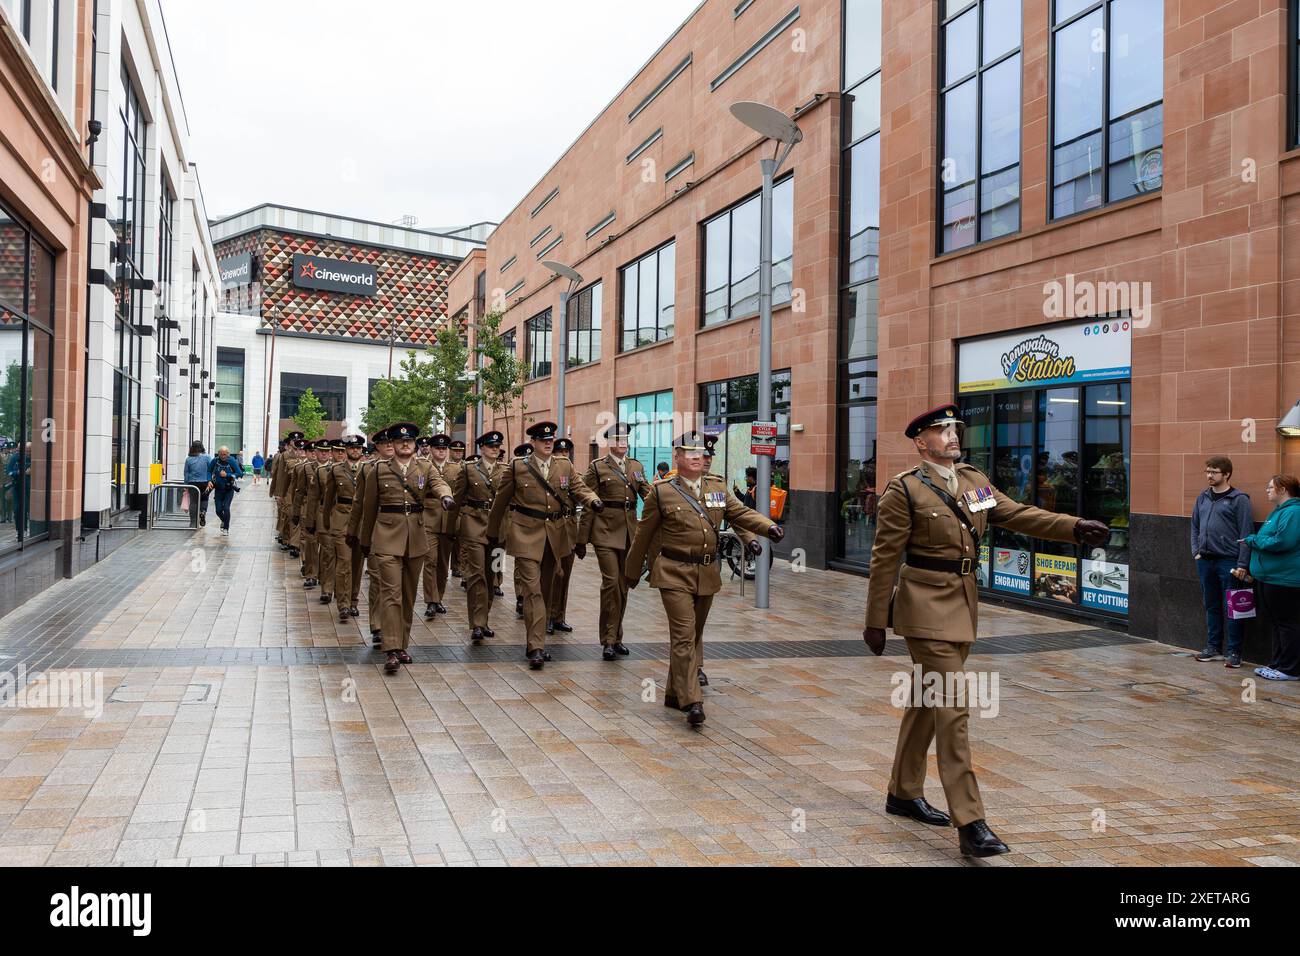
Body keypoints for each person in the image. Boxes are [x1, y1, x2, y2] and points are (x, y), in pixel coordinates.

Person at [862, 403, 1110, 858]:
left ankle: (902, 792)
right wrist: (875, 620)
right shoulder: (907, 490)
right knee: (954, 708)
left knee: (926, 698)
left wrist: (1074, 527)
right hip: (923, 606)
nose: (953, 436)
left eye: (955, 429)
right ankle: (971, 822)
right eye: (942, 430)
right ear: (921, 441)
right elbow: (884, 558)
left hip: (962, 604)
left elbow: (1017, 515)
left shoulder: (974, 482)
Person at [624, 432, 781, 726]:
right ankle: (692, 700)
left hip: (707, 573)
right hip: (673, 572)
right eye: (690, 452)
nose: (697, 457)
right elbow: (643, 537)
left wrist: (768, 527)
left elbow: (739, 513)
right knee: (684, 635)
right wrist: (631, 574)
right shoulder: (661, 492)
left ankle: (673, 692)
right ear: (678, 457)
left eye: (700, 454)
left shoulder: (716, 487)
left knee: (692, 635)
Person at [487, 422, 601, 670]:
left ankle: (538, 635)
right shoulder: (518, 467)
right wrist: (493, 533)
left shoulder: (565, 465)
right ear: (534, 443)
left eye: (551, 440)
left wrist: (593, 501)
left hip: (554, 536)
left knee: (547, 590)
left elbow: (580, 488)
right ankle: (535, 646)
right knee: (533, 590)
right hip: (526, 534)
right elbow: (500, 502)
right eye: (543, 440)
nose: (549, 443)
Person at [357, 422, 455, 674]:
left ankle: (401, 644)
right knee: (392, 592)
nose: (405, 445)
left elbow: (438, 483)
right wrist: (364, 540)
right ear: (392, 444)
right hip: (386, 537)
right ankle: (390, 649)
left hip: (415, 538)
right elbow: (368, 509)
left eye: (409, 441)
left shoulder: (424, 466)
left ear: (414, 444)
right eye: (400, 442)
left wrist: (446, 496)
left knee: (409, 594)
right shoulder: (378, 470)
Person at [579, 422, 652, 661]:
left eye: (625, 439)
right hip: (605, 531)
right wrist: (582, 539)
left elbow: (647, 494)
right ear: (609, 442)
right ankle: (608, 640)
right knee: (611, 583)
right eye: (617, 439)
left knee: (623, 585)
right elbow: (589, 502)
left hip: (629, 532)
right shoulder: (598, 467)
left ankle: (616, 636)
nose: (622, 443)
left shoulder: (636, 466)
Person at [1191, 456, 1253, 668]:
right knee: (1211, 605)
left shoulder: (1239, 499)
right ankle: (1213, 647)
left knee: (1234, 607)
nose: (1209, 475)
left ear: (1226, 474)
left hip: (1230, 562)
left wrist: (1242, 564)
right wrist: (1196, 551)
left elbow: (1246, 533)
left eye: (1214, 472)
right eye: (1207, 471)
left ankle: (1234, 652)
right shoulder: (1202, 497)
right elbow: (1195, 527)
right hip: (1205, 561)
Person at [1238, 475, 1300, 681]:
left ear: (1283, 489)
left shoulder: (1294, 511)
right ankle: (1278, 664)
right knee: (1277, 623)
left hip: (1284, 579)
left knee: (1287, 623)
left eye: (1270, 487)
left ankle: (1290, 669)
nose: (1267, 490)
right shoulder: (1279, 512)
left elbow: (1282, 541)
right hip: (1270, 578)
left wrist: (1253, 540)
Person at [451, 430, 505, 642]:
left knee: (492, 575)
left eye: (497, 446)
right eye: (491, 446)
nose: (494, 449)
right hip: (474, 524)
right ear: (482, 448)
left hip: (499, 529)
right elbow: (457, 498)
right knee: (476, 575)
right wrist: (450, 529)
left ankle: (484, 619)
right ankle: (477, 623)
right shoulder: (469, 469)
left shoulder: (507, 470)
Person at [323, 436, 366, 623]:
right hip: (341, 519)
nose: (355, 451)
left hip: (362, 521)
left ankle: (354, 601)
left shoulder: (370, 469)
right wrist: (326, 522)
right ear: (346, 449)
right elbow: (328, 498)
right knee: (344, 563)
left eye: (358, 448)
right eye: (351, 448)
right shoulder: (336, 470)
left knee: (357, 563)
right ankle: (343, 604)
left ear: (362, 450)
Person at [421, 434, 461, 618]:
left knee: (443, 563)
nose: (441, 451)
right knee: (430, 560)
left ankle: (439, 598)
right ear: (430, 448)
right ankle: (431, 600)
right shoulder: (421, 466)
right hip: (428, 519)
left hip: (449, 522)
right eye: (438, 448)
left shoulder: (456, 468)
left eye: (444, 449)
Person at [547, 437, 580, 635]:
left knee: (565, 575)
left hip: (570, 528)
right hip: (554, 527)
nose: (563, 456)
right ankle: (549, 616)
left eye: (566, 453)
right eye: (559, 453)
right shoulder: (548, 474)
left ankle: (560, 616)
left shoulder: (574, 474)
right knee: (554, 574)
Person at [208, 446, 242, 536]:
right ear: (218, 454)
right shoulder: (215, 461)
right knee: (218, 510)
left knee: (226, 508)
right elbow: (209, 471)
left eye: (225, 454)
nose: (223, 456)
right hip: (218, 489)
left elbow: (240, 473)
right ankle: (224, 520)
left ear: (228, 454)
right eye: (221, 454)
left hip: (228, 489)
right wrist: (209, 481)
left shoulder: (231, 461)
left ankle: (226, 528)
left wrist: (227, 475)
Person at [184, 441, 214, 527]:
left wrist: (186, 484)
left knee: (193, 502)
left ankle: (193, 522)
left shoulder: (189, 459)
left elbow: (186, 473)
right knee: (204, 499)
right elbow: (212, 469)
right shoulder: (207, 457)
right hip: (205, 482)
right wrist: (210, 480)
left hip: (193, 483)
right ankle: (203, 512)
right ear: (202, 447)